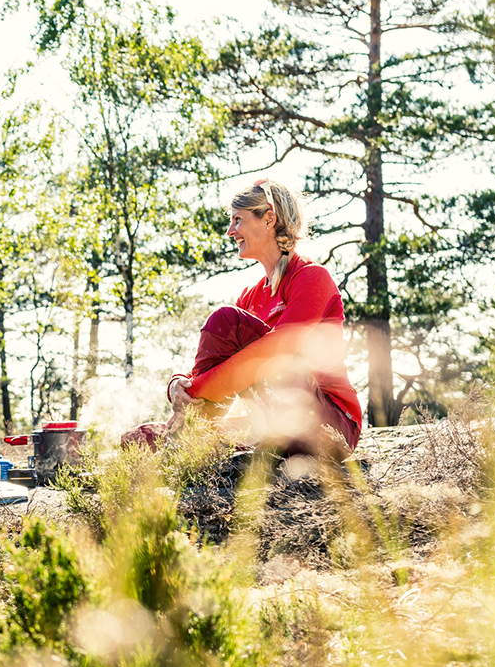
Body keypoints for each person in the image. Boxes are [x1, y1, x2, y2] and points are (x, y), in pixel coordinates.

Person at [133, 179, 362, 458]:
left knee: (226, 320)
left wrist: (196, 390)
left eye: (237, 220)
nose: (231, 231)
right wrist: (178, 384)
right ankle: (193, 433)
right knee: (139, 438)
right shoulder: (251, 297)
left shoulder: (311, 278)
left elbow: (279, 351)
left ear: (268, 219)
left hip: (329, 425)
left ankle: (192, 430)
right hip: (274, 422)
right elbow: (219, 362)